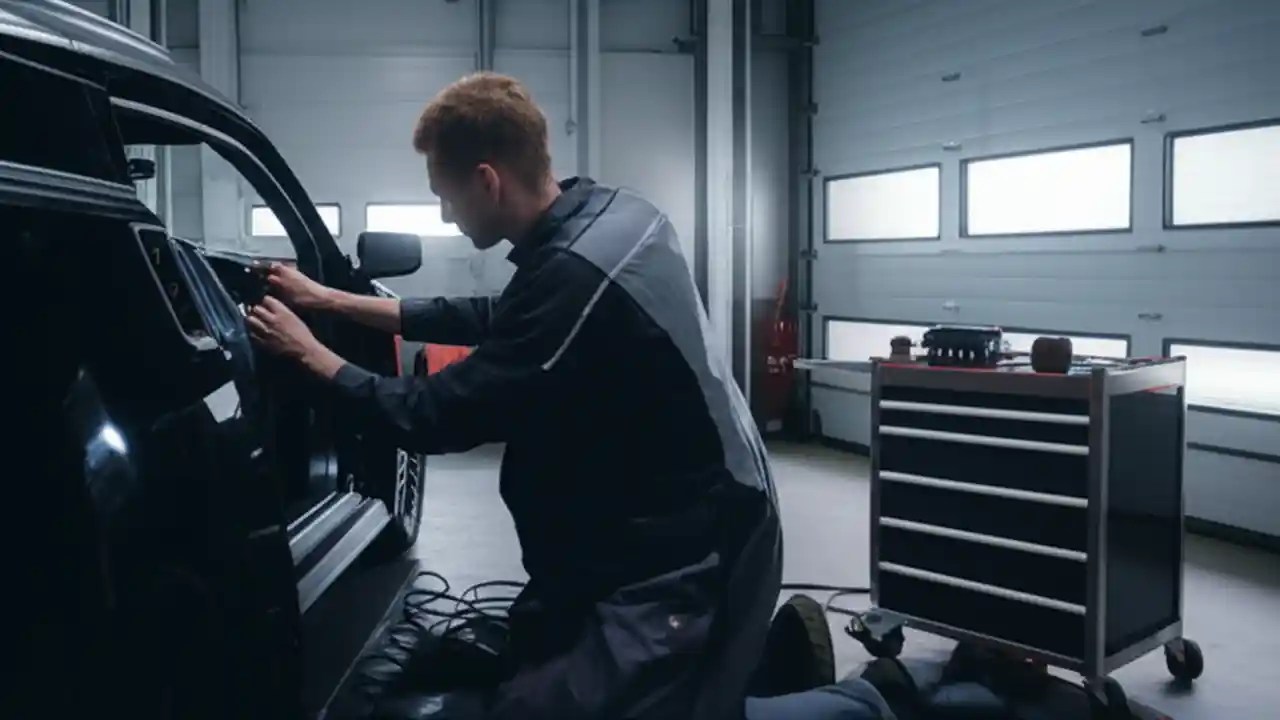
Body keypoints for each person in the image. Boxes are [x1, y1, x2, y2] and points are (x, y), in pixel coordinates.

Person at [247, 72, 783, 719]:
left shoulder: (573, 276)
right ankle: (750, 670)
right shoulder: (610, 216)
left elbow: (434, 415)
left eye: (444, 196)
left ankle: (859, 699)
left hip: (691, 559)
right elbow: (498, 315)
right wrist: (332, 301)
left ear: (486, 181)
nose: (445, 214)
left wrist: (312, 356)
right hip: (646, 532)